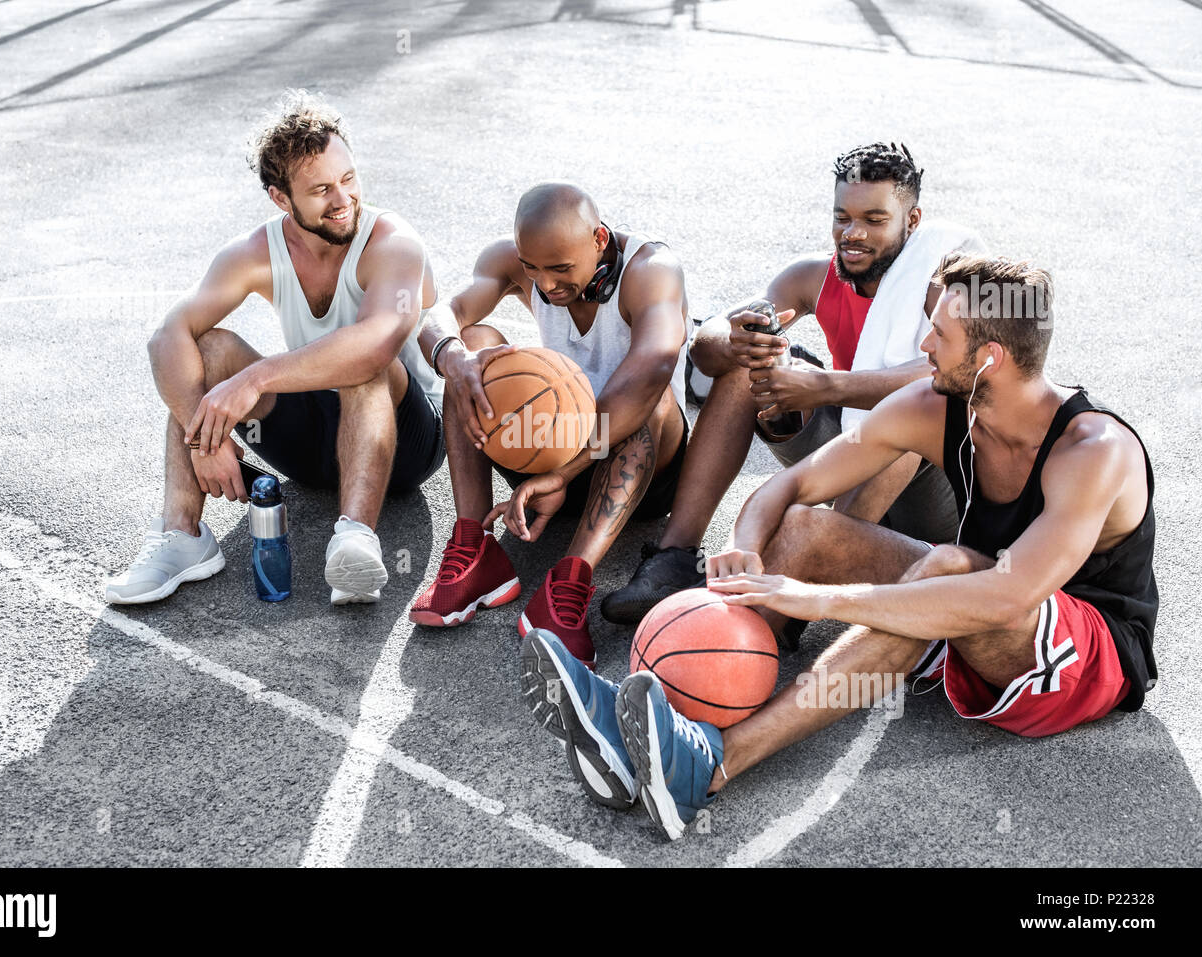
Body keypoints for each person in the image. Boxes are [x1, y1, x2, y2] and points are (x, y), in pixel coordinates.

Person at [523, 254, 1158, 837]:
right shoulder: (940, 405)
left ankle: (712, 763)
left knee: (948, 567)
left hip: (1083, 658)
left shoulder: (1093, 451)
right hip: (973, 599)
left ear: (989, 357)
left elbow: (1006, 595)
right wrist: (746, 547)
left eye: (940, 333)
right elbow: (796, 485)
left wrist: (818, 600)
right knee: (806, 528)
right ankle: (636, 719)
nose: (923, 344)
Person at [603, 143, 982, 633]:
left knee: (911, 411)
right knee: (749, 363)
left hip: (936, 496)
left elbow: (943, 378)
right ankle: (674, 559)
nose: (853, 233)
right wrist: (739, 336)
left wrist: (824, 386)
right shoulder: (814, 276)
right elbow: (705, 347)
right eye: (842, 216)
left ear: (912, 222)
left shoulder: (943, 281)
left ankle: (793, 590)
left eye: (874, 219)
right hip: (851, 452)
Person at [105, 90, 445, 606]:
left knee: (363, 365)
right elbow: (167, 335)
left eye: (349, 179)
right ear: (281, 198)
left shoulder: (393, 242)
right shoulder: (255, 253)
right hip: (314, 447)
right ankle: (182, 536)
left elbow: (375, 346)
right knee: (209, 348)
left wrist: (254, 379)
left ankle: (354, 538)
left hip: (404, 441)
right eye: (321, 189)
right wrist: (205, 435)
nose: (342, 199)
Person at [410, 183, 689, 669]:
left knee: (655, 399)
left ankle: (568, 581)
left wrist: (566, 472)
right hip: (550, 453)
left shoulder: (652, 271)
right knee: (474, 352)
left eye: (562, 269)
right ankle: (476, 550)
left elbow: (652, 369)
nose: (547, 285)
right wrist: (451, 356)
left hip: (636, 469)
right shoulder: (515, 263)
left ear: (600, 239)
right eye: (533, 268)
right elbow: (440, 314)